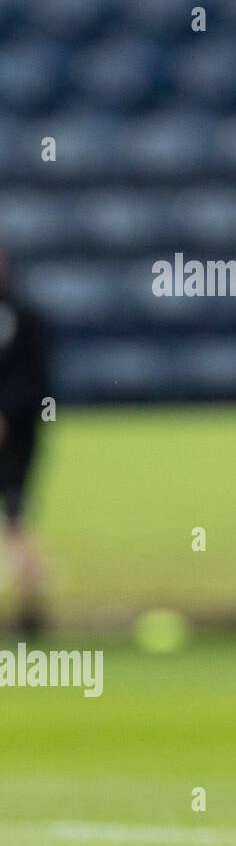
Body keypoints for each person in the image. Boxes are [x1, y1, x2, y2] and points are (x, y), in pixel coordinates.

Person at [0, 253, 51, 635]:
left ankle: (32, 606)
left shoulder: (26, 318)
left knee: (16, 518)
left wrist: (9, 417)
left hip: (18, 435)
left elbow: (35, 382)